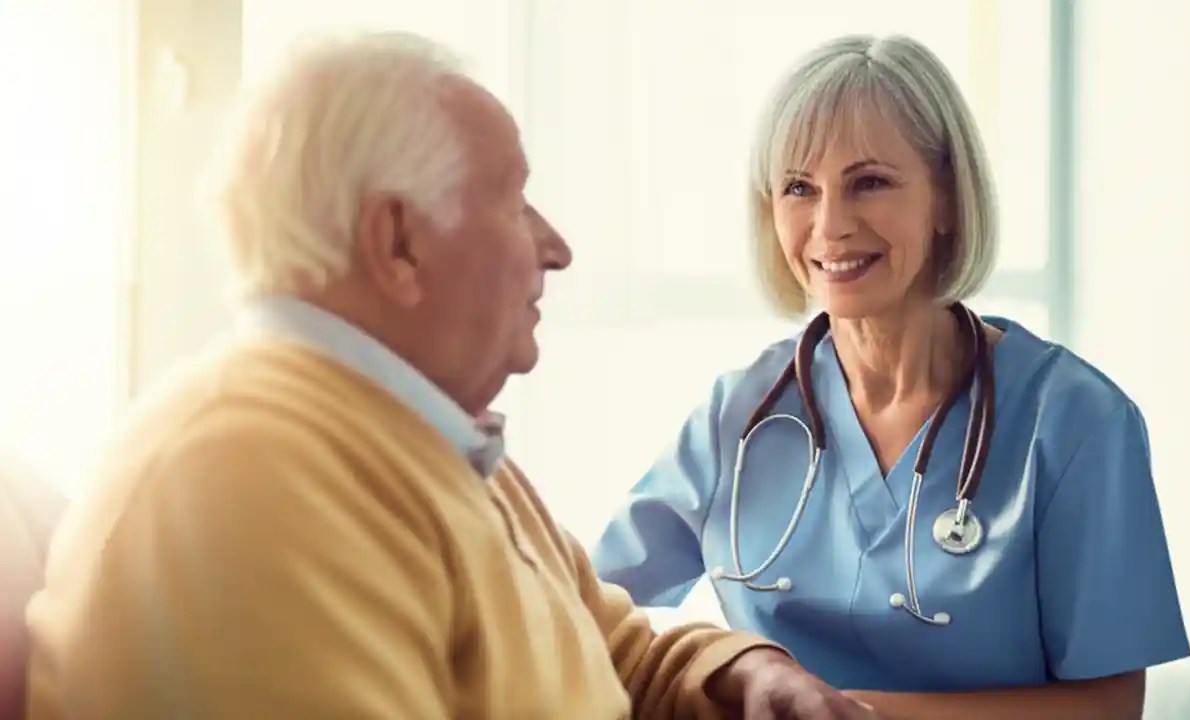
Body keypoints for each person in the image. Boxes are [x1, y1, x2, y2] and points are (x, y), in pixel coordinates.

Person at [22, 32, 876, 719]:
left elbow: (613, 653)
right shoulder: (247, 475)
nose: (556, 247)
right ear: (398, 243)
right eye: (513, 203)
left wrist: (747, 673)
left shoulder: (429, 441)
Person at [590, 33, 1190, 719]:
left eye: (869, 182)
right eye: (798, 188)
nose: (830, 225)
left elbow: (1109, 707)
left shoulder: (1074, 422)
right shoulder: (739, 414)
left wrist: (850, 713)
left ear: (947, 201)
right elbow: (586, 613)